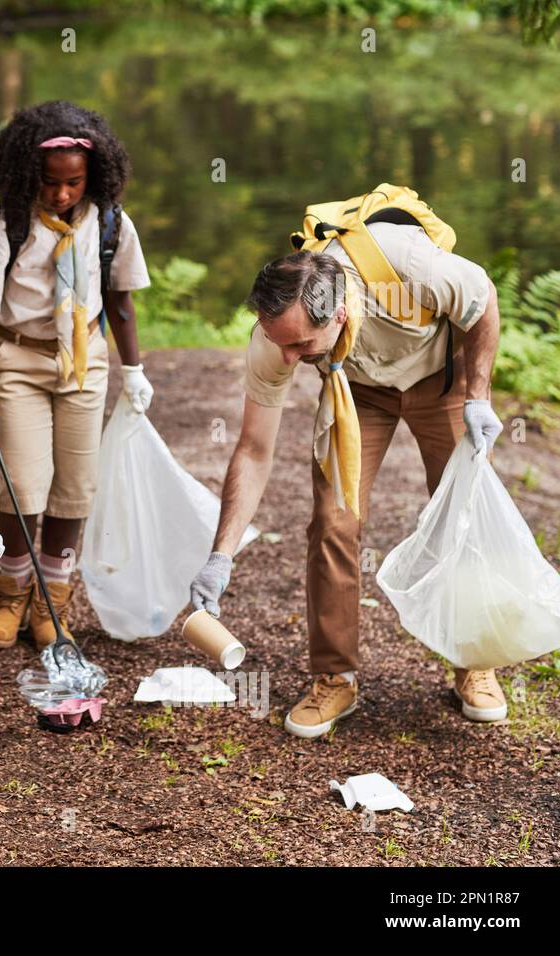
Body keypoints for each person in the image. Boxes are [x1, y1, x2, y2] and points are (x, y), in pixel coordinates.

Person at [189, 225, 504, 738]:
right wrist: (220, 556)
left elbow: (483, 297)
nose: (288, 359)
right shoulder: (277, 340)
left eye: (300, 345)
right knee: (334, 521)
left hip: (440, 378)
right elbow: (253, 450)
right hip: (356, 390)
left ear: (338, 314)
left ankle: (476, 659)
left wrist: (479, 395)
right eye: (279, 344)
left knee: (461, 512)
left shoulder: (409, 268)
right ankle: (336, 676)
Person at [0, 100, 152, 651]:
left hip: (85, 363)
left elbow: (121, 300)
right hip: (19, 360)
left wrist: (133, 370)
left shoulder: (109, 223)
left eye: (74, 183)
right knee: (22, 483)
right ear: (27, 174)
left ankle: (52, 600)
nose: (62, 194)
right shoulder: (7, 224)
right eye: (51, 183)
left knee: (74, 489)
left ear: (94, 176)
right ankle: (11, 595)